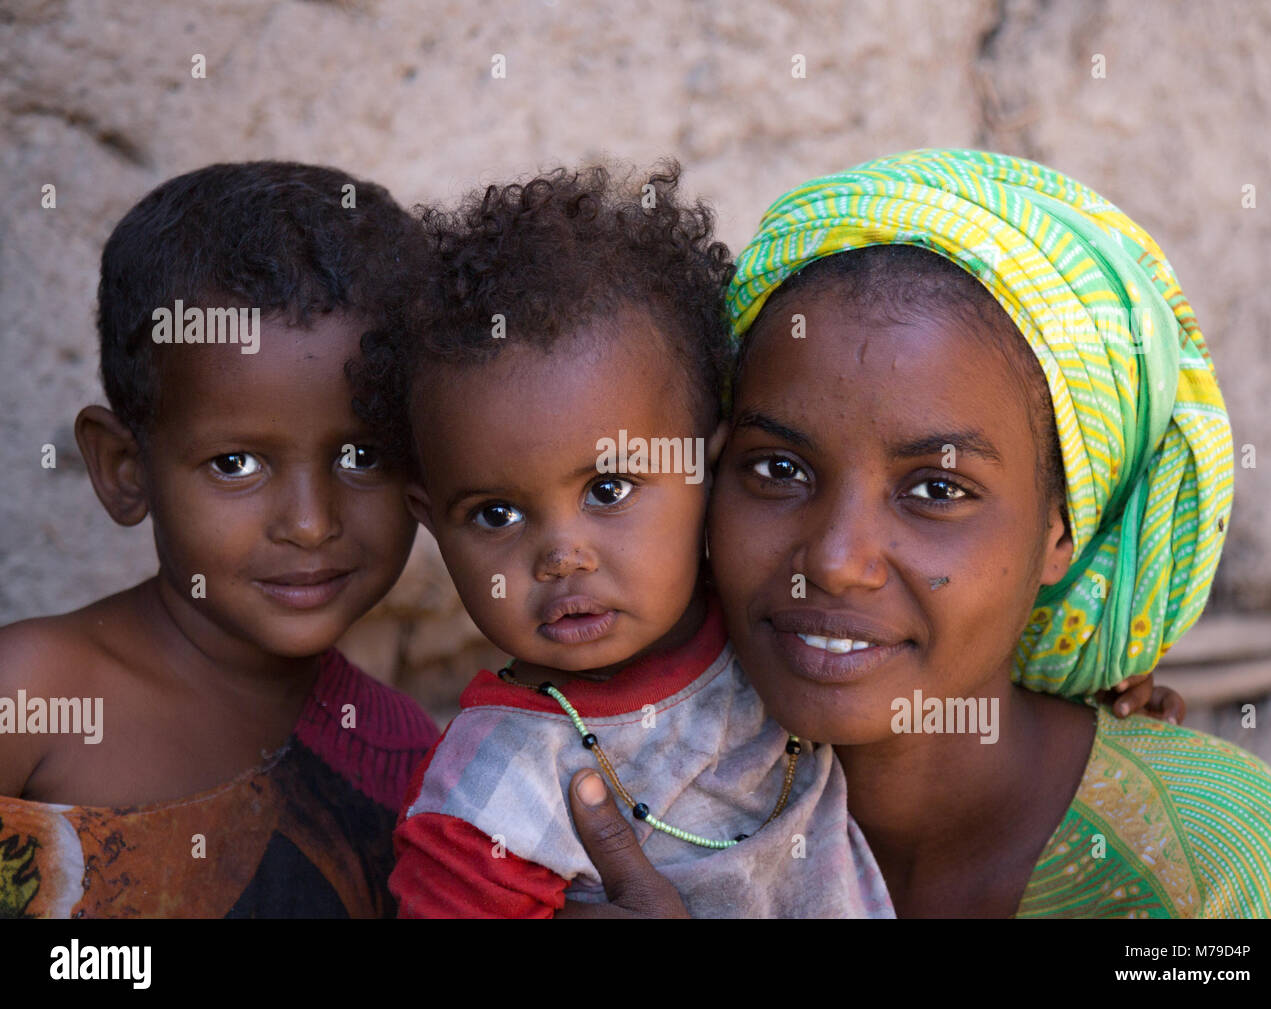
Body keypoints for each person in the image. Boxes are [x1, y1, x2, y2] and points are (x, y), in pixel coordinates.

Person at [568, 149, 1271, 917]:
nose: (838, 559)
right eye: (779, 470)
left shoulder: (1207, 868)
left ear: (1062, 534)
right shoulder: (597, 801)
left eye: (937, 489)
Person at [374, 163, 894, 918]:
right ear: (431, 520)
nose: (561, 554)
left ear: (709, 473)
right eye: (495, 514)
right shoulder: (496, 794)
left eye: (608, 490)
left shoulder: (773, 628)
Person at [0, 162, 439, 917]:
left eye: (362, 456)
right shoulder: (33, 695)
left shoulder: (401, 752)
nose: (309, 522)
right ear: (124, 468)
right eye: (236, 464)